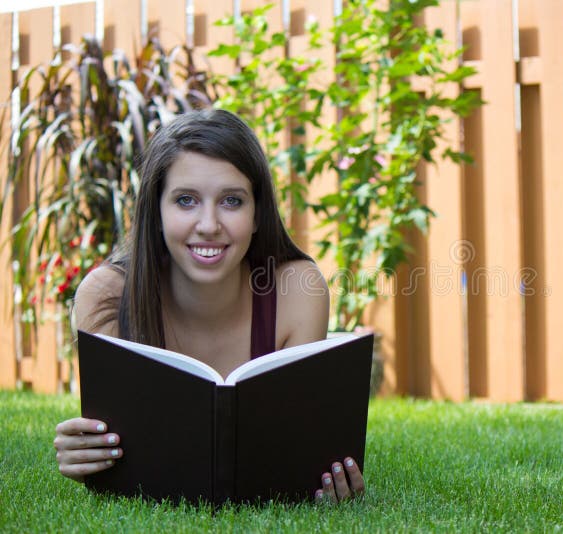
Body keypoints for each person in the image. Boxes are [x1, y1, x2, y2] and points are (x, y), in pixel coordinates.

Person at [52, 108, 363, 504]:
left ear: (256, 214)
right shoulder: (107, 295)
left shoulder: (297, 290)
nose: (209, 225)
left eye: (232, 201)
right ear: (157, 214)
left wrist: (320, 478)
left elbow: (296, 447)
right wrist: (86, 454)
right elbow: (113, 454)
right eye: (185, 200)